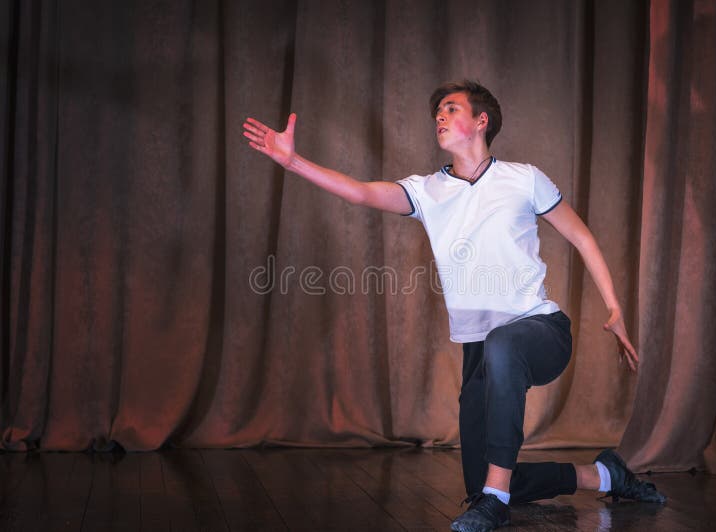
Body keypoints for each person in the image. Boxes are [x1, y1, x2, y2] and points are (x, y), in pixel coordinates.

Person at [243, 80, 665, 532]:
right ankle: (604, 474)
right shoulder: (427, 191)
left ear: (481, 121)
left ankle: (497, 501)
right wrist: (293, 162)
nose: (439, 118)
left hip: (540, 331)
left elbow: (581, 236)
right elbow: (360, 192)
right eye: (437, 114)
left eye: (450, 108)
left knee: (503, 353)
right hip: (481, 352)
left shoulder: (524, 178)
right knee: (481, 483)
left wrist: (616, 309)